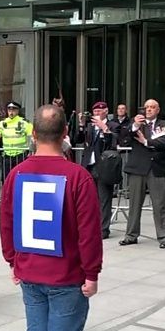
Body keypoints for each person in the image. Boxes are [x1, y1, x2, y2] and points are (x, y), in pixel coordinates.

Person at [0, 104, 102, 331]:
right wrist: (92, 273)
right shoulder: (78, 176)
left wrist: (12, 260)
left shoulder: (16, 174)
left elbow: (6, 221)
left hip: (30, 272)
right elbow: (89, 232)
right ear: (66, 134)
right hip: (66, 276)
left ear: (32, 134)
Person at [120, 99, 165, 248]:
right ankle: (131, 235)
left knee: (160, 204)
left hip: (157, 169)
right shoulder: (135, 124)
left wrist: (146, 142)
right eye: (147, 107)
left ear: (157, 110)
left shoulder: (164, 125)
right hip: (138, 168)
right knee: (134, 204)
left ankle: (164, 236)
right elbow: (123, 138)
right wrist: (135, 125)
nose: (149, 109)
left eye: (152, 107)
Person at [73, 101, 121, 239]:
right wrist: (81, 125)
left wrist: (104, 129)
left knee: (104, 198)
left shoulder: (113, 125)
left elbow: (113, 142)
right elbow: (78, 139)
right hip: (89, 165)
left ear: (106, 111)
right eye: (95, 112)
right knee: (88, 199)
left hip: (104, 166)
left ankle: (103, 230)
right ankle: (89, 227)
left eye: (99, 112)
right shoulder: (90, 126)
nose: (97, 114)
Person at [0, 101, 33, 182]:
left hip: (20, 155)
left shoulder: (24, 122)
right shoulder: (3, 123)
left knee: (20, 179)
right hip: (7, 156)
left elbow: (33, 136)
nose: (11, 112)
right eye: (9, 110)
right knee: (6, 179)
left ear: (17, 111)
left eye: (13, 110)